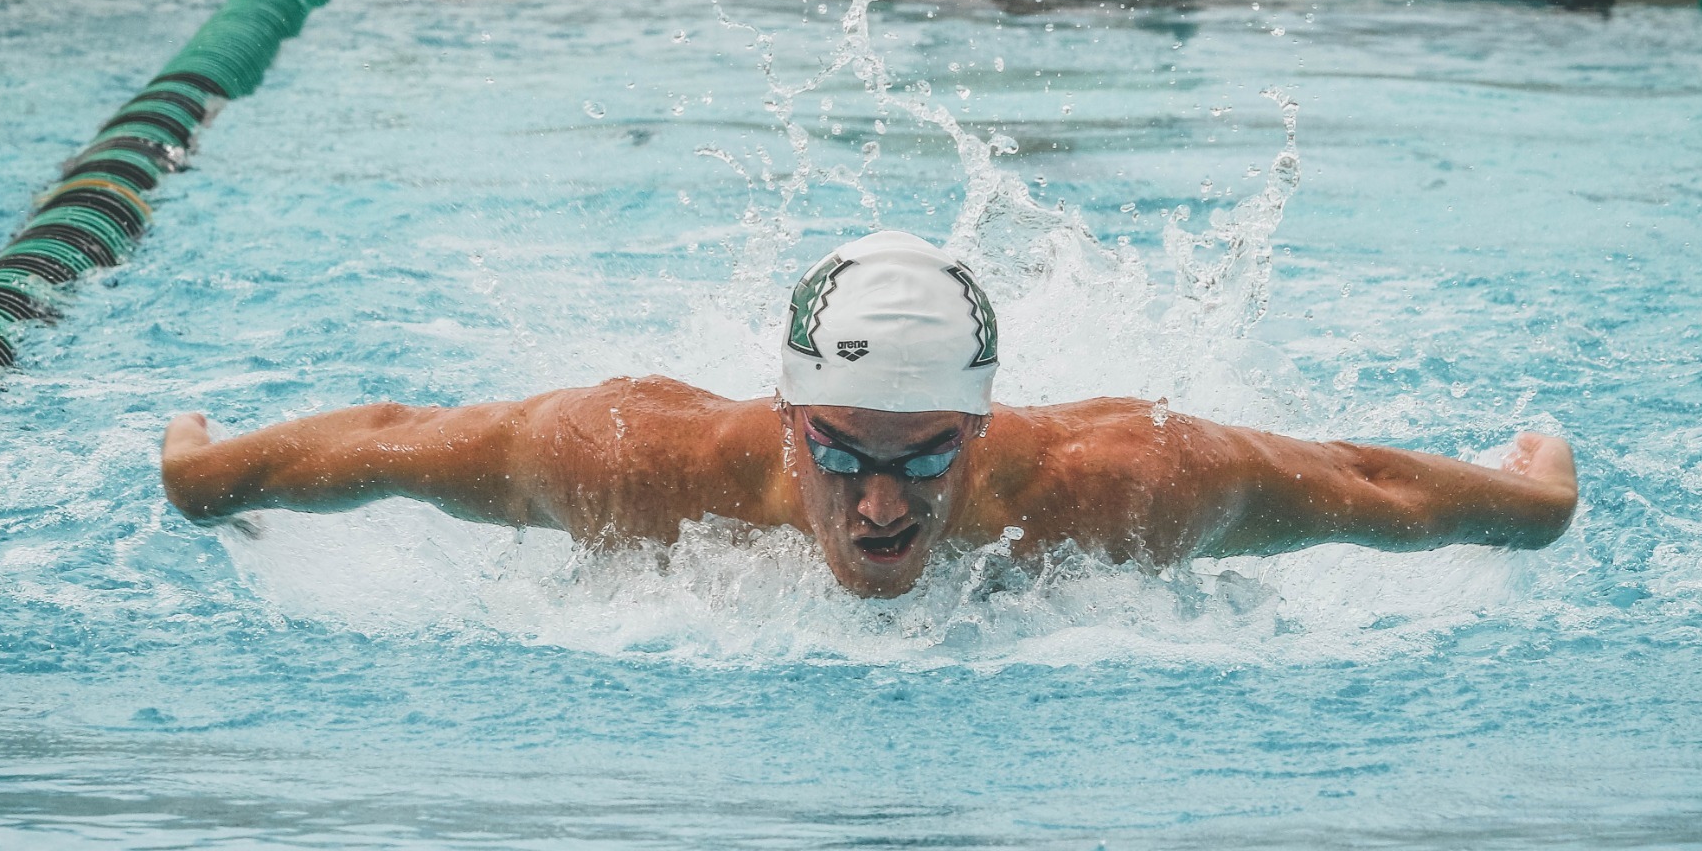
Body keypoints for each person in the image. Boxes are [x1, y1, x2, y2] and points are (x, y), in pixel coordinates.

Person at [160, 231, 1578, 598]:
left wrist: (1537, 497)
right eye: (842, 455)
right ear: (786, 425)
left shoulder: (1119, 481)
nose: (882, 506)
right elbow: (402, 441)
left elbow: (1358, 480)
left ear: (982, 428)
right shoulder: (640, 463)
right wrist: (212, 476)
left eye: (922, 461)